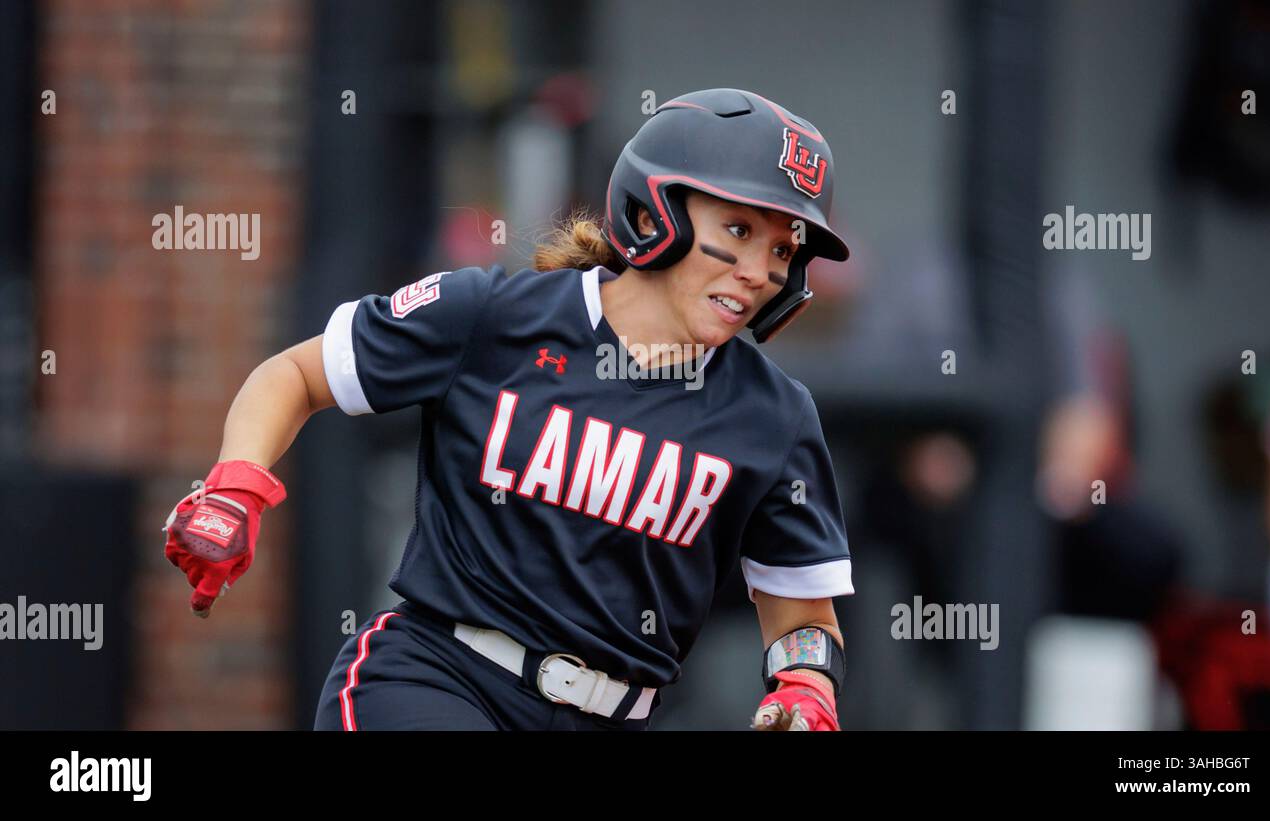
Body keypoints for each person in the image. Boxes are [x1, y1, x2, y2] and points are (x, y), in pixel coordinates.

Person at [161, 88, 855, 731]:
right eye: (736, 228)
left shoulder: (774, 416)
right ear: (652, 212)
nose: (759, 270)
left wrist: (804, 686)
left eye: (781, 249)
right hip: (437, 680)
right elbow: (295, 374)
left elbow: (801, 612)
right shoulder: (493, 317)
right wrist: (236, 484)